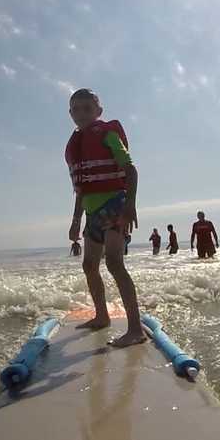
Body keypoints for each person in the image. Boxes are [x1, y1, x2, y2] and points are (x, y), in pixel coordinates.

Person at [64, 88, 144, 348]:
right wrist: (76, 219)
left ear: (98, 111)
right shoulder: (77, 144)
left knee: (114, 263)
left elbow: (130, 170)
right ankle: (101, 316)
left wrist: (130, 206)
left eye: (87, 108)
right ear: (70, 113)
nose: (81, 113)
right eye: (76, 109)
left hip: (115, 206)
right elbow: (82, 188)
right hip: (92, 213)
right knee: (89, 265)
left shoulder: (107, 134)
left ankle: (135, 329)